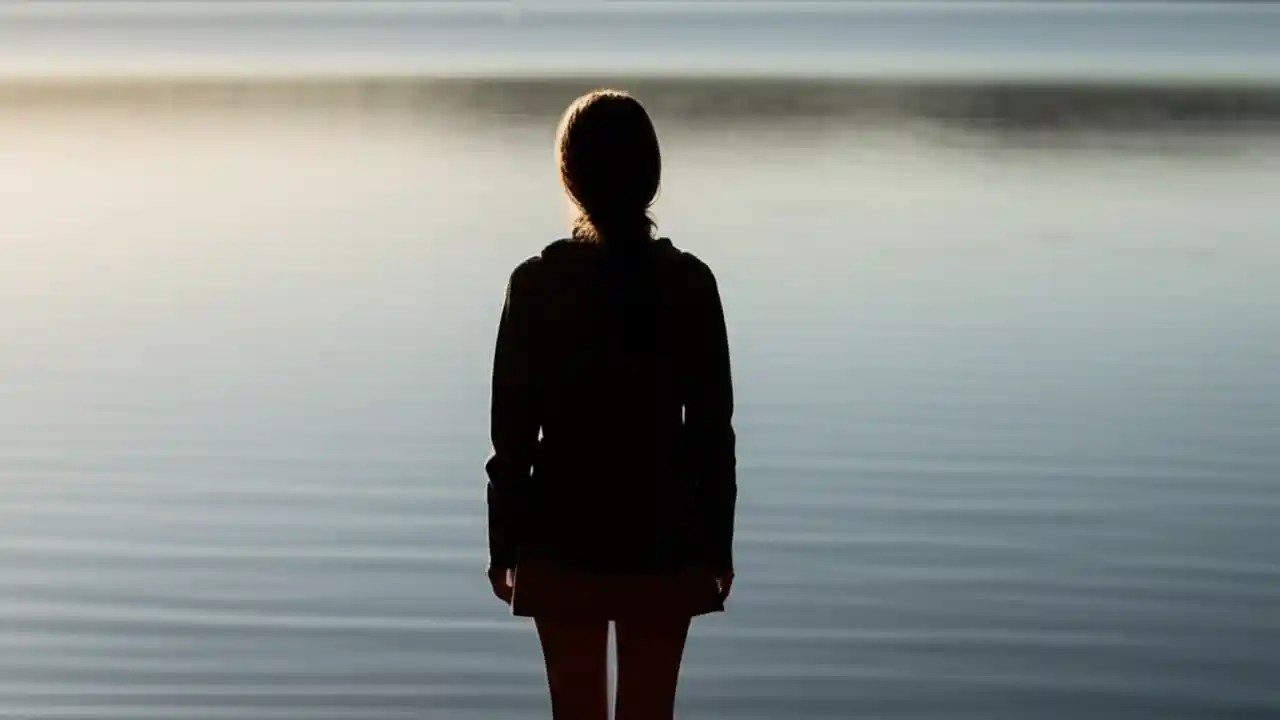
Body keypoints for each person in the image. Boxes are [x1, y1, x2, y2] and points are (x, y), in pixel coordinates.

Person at [484, 89, 738, 720]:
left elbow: (512, 437)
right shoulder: (690, 283)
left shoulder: (535, 285)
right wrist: (717, 545)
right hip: (665, 534)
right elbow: (712, 434)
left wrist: (503, 543)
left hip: (560, 536)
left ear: (570, 180)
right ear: (651, 176)